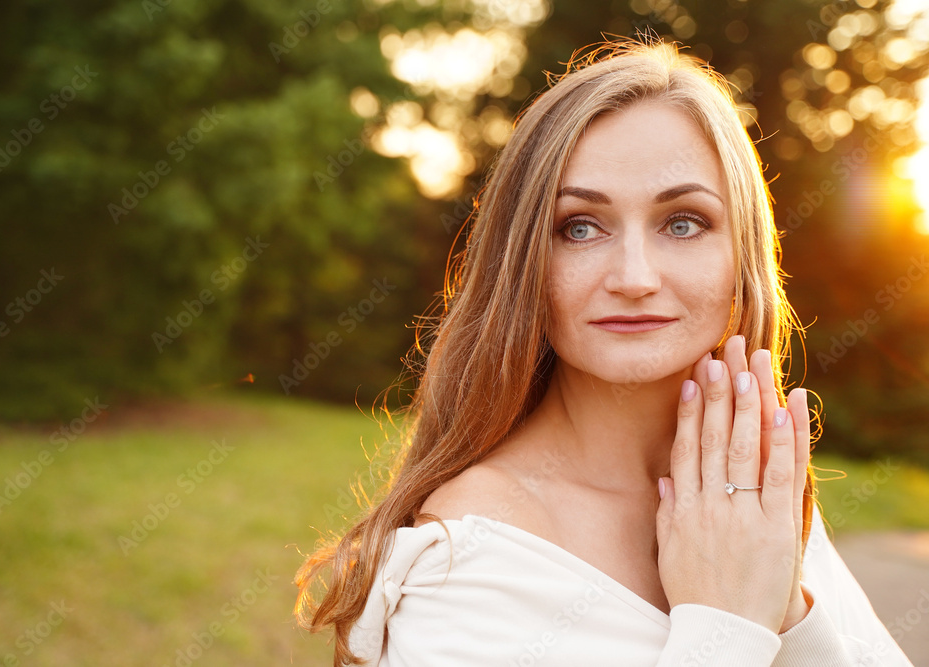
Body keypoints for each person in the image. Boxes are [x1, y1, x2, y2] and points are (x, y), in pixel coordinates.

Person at [295, 36, 914, 666]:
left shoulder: (746, 494)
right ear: (525, 263)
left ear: (743, 258)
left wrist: (786, 617)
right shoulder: (466, 560)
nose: (634, 276)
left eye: (683, 223)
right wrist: (726, 628)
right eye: (580, 227)